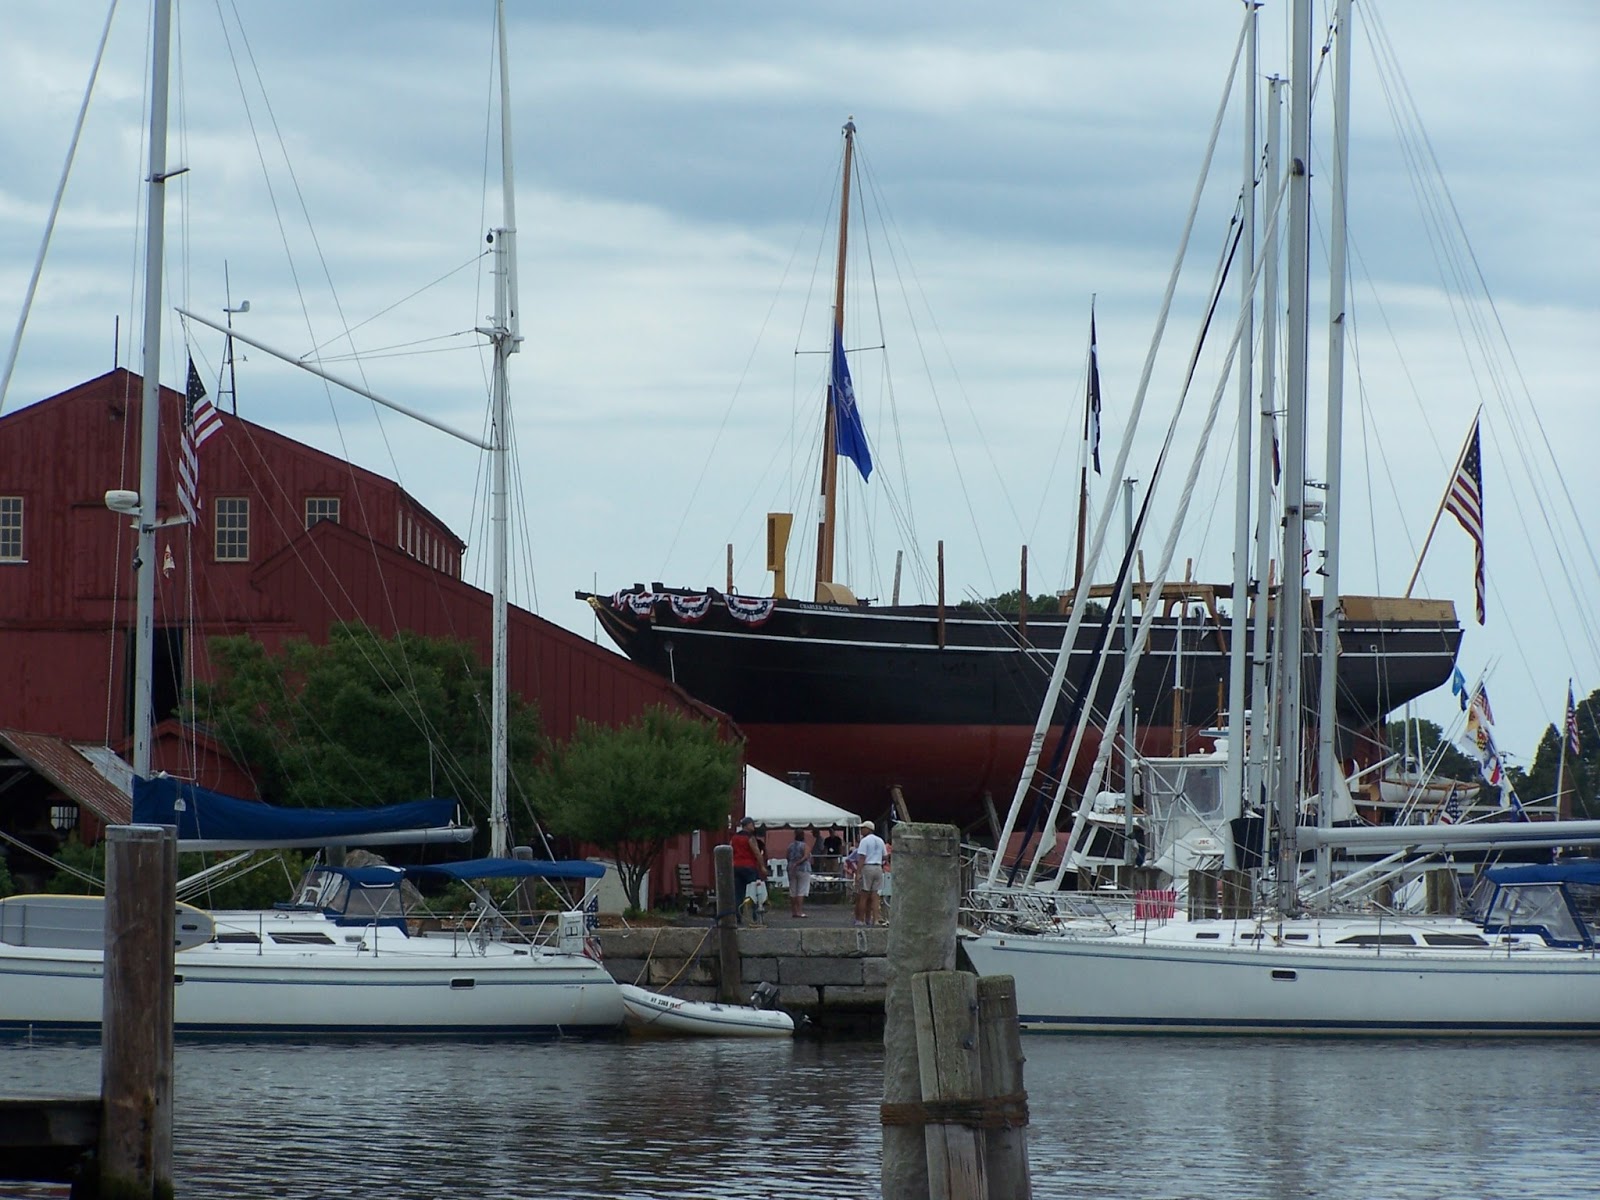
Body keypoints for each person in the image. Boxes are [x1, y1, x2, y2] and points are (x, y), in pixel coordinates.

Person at [731, 815, 767, 925]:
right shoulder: (750, 838)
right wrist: (762, 866)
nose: (754, 826)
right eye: (752, 824)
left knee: (738, 893)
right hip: (749, 866)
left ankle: (737, 916)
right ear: (748, 825)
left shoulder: (734, 838)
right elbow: (756, 852)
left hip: (736, 867)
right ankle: (756, 916)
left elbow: (730, 850)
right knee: (756, 891)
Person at [853, 820, 889, 926]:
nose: (861, 830)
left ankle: (861, 919)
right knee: (875, 895)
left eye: (862, 828)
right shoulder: (880, 840)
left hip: (867, 867)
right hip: (878, 867)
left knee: (863, 894)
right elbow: (885, 856)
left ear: (868, 829)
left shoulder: (865, 841)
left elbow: (862, 857)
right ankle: (875, 920)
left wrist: (858, 872)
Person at [786, 828, 813, 918]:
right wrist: (798, 862)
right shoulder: (805, 846)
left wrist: (793, 864)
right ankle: (800, 911)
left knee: (793, 890)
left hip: (791, 868)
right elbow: (806, 856)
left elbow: (787, 857)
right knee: (801, 890)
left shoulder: (790, 846)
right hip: (803, 868)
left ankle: (794, 911)